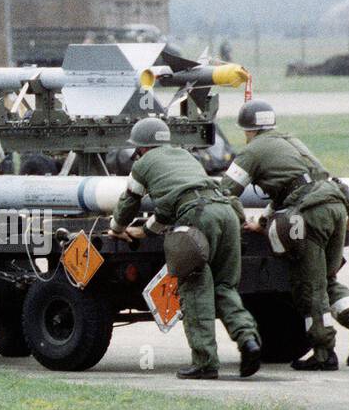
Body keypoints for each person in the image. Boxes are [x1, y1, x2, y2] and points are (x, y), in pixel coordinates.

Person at [221, 99, 349, 370]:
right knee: (327, 278)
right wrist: (264, 220)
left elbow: (226, 192)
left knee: (309, 284)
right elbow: (294, 186)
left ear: (247, 130)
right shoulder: (290, 141)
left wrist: (238, 221)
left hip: (309, 213)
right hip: (334, 204)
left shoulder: (252, 152)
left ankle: (323, 354)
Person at [107, 116, 262, 380]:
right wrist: (145, 231)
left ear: (141, 147)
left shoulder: (143, 164)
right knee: (225, 287)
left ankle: (205, 363)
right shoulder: (185, 155)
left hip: (197, 218)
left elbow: (129, 203)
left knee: (195, 289)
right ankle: (249, 340)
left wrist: (118, 229)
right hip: (226, 213)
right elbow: (169, 210)